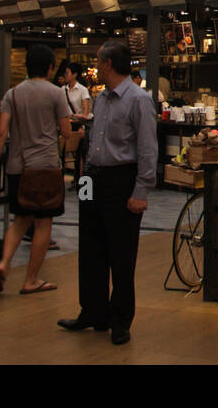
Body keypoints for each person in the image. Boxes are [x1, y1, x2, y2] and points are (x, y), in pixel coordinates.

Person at [58, 39, 156, 345]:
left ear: (108, 65)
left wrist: (141, 191)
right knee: (91, 248)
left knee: (121, 253)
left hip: (121, 181)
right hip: (94, 178)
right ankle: (93, 311)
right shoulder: (101, 100)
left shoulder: (138, 100)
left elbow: (147, 150)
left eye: (99, 62)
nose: (96, 68)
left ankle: (120, 320)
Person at [0, 45, 73, 296]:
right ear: (49, 68)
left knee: (20, 219)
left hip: (17, 167)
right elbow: (66, 132)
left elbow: (2, 133)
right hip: (45, 167)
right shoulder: (56, 93)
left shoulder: (11, 95)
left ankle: (3, 265)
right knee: (44, 223)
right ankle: (31, 279)